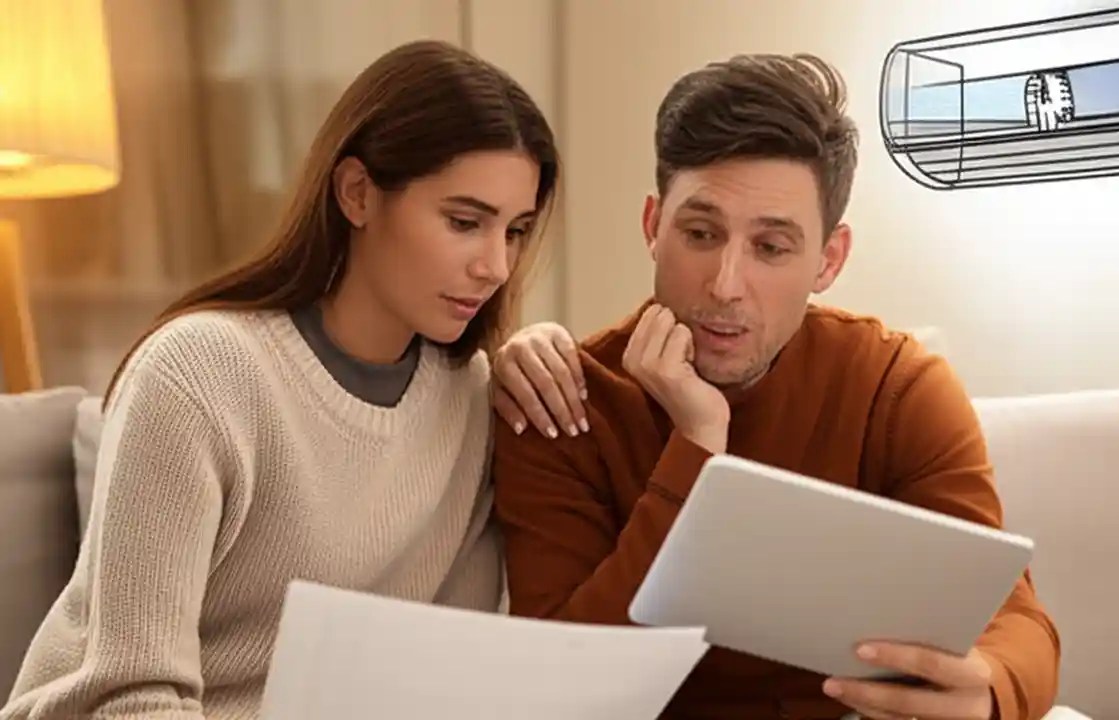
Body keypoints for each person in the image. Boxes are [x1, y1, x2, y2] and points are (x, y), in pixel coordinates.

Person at [2, 40, 582, 720]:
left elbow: (440, 685)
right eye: (464, 222)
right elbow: (128, 697)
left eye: (515, 231)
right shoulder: (198, 375)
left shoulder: (471, 400)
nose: (495, 266)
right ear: (357, 194)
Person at [490, 53, 1061, 720]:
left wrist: (990, 687)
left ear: (829, 258)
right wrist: (697, 446)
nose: (726, 284)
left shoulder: (895, 386)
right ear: (653, 227)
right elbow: (565, 683)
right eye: (700, 234)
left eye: (772, 247)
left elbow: (1013, 617)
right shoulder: (559, 399)